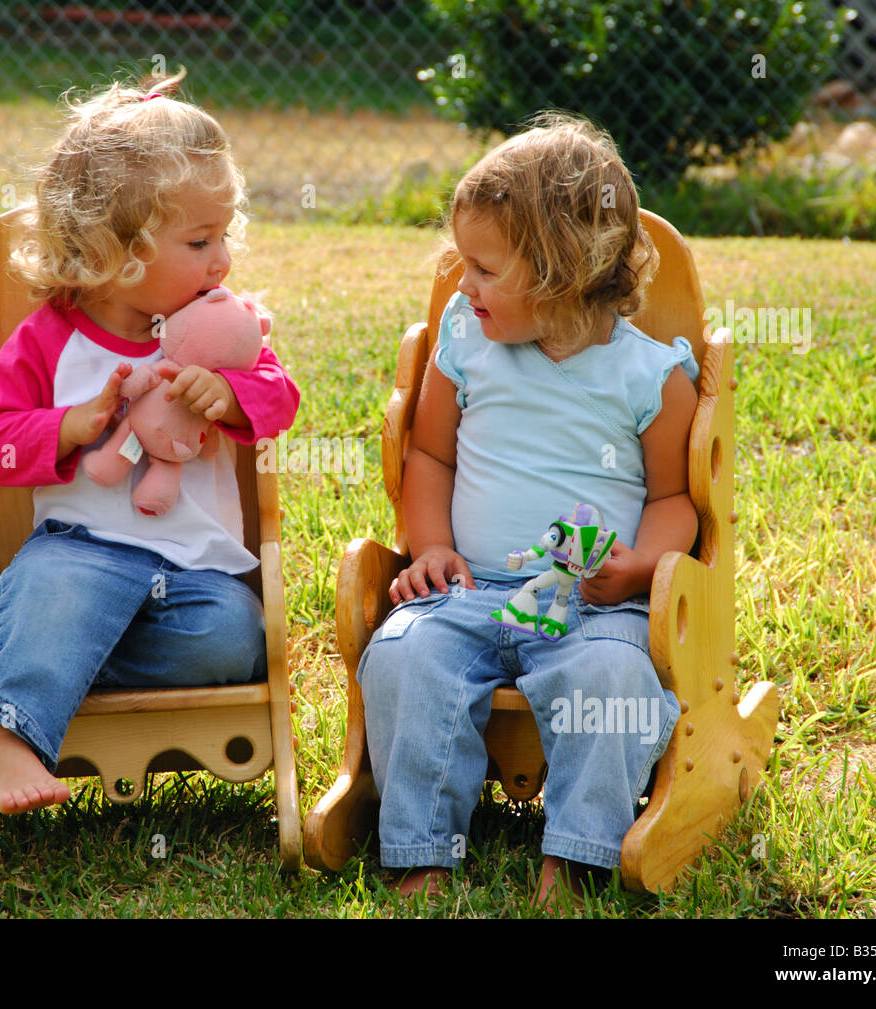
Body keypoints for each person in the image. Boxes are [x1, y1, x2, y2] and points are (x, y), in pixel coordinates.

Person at [356, 111, 698, 908]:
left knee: (614, 677)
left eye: (482, 267)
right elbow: (431, 454)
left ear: (560, 270)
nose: (462, 283)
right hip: (467, 590)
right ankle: (421, 847)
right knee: (404, 656)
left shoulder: (649, 377)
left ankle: (579, 851)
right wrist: (430, 545)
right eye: (461, 264)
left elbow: (679, 500)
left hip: (588, 606)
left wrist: (641, 565)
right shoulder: (466, 340)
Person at [0, 72, 299, 815]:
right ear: (115, 249)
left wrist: (231, 394)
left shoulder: (220, 327)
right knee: (55, 589)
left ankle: (49, 658)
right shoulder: (50, 337)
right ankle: (7, 736)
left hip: (191, 573)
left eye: (224, 236)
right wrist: (72, 426)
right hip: (81, 551)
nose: (222, 263)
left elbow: (280, 398)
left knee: (235, 636)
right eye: (200, 241)